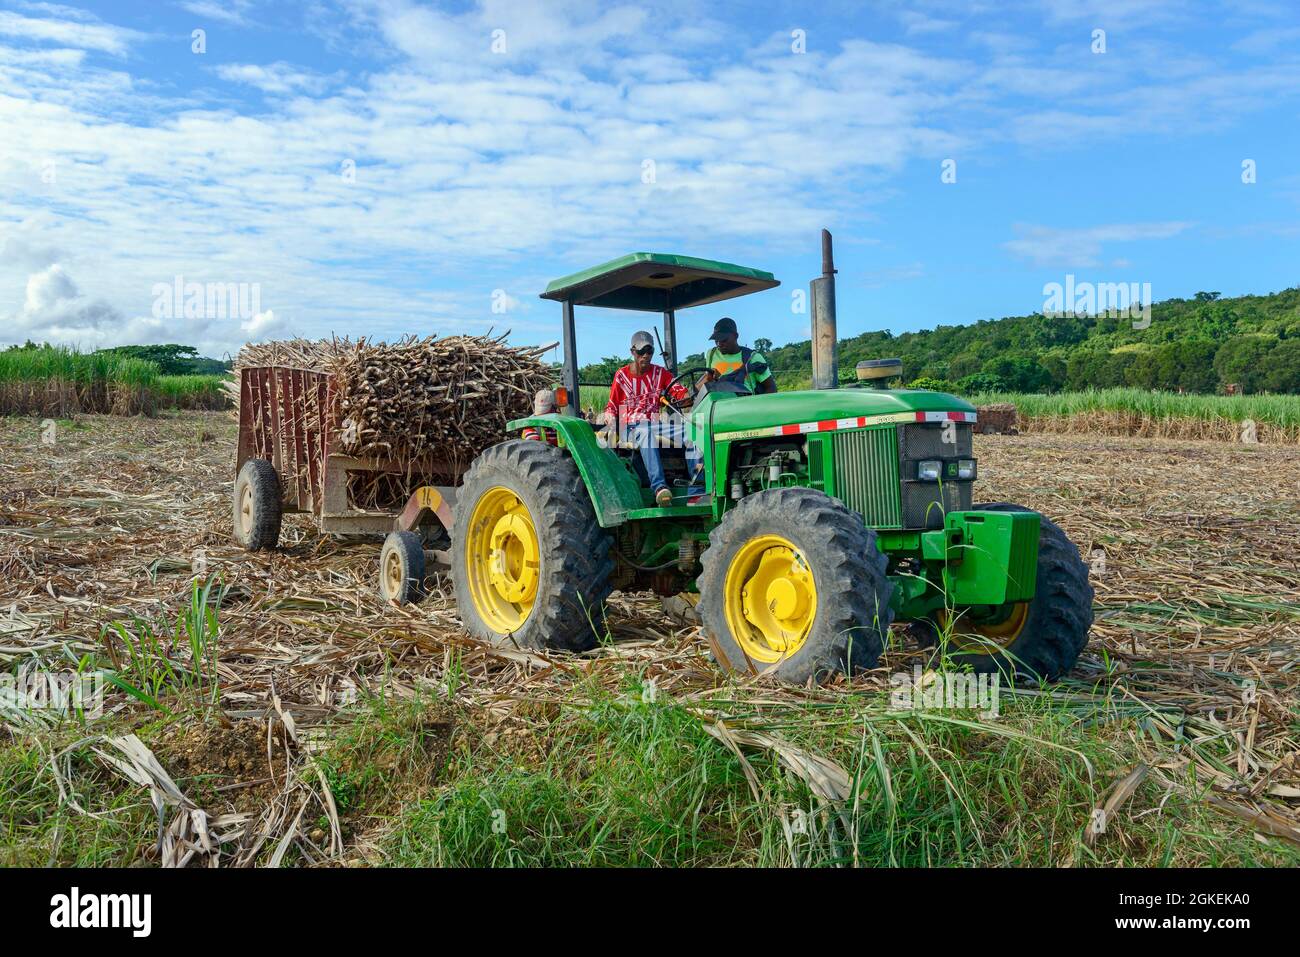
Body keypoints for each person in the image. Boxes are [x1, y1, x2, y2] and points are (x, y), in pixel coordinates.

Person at [601, 331, 703, 506]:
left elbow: (679, 393)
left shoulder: (660, 373)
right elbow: (611, 406)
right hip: (631, 427)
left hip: (655, 423)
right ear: (633, 352)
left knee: (694, 431)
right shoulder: (622, 375)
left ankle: (696, 491)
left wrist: (686, 394)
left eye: (650, 352)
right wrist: (610, 419)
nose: (646, 356)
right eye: (641, 352)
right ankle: (659, 487)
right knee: (645, 432)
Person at [699, 317, 777, 395]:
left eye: (724, 340)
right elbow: (707, 379)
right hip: (718, 404)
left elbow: (771, 388)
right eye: (716, 340)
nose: (719, 344)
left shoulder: (753, 357)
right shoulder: (711, 354)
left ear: (736, 336)